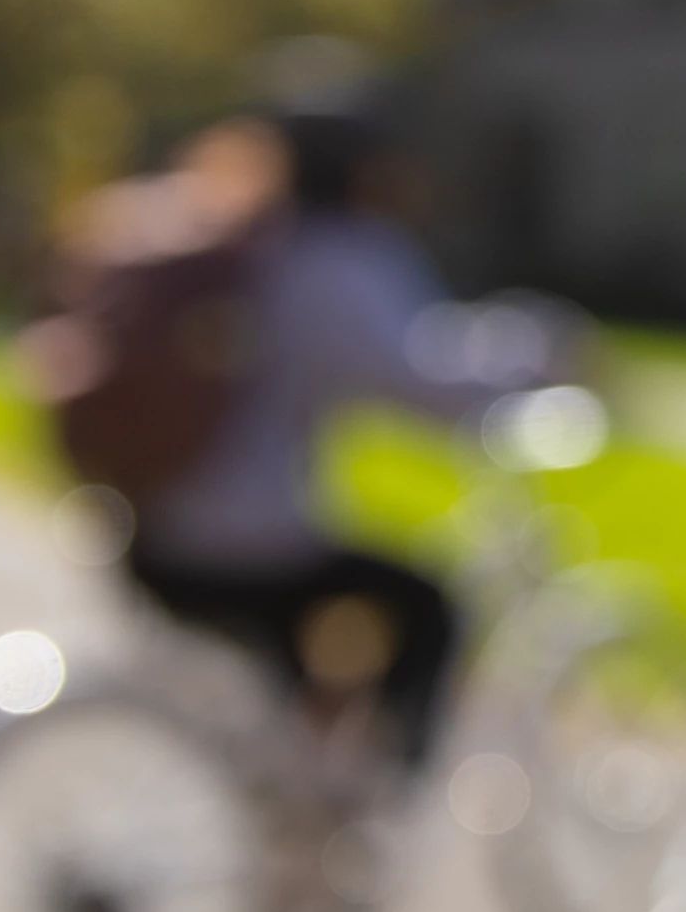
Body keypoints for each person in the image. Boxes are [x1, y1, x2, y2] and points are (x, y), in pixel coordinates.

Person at [85, 104, 547, 767]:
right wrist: (544, 357)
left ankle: (299, 807)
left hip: (150, 531)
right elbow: (423, 382)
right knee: (427, 608)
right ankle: (374, 791)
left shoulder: (246, 242)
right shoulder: (334, 262)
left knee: (298, 672)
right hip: (241, 549)